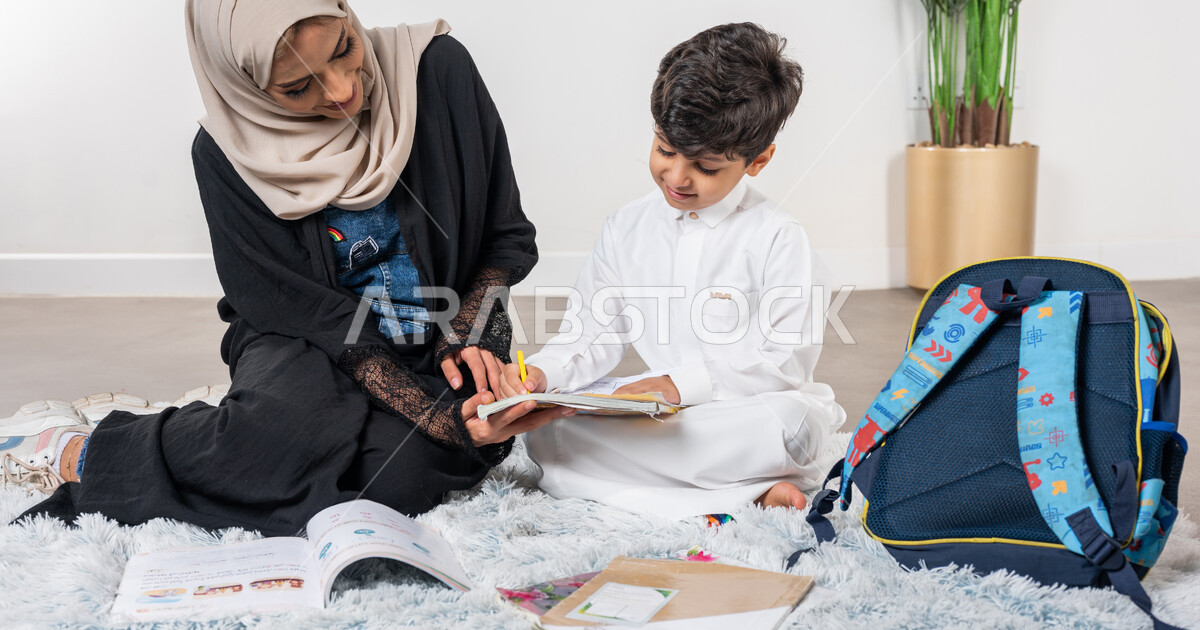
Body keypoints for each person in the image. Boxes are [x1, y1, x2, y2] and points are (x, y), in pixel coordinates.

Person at [7, 0, 572, 536]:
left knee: (402, 478)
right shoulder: (224, 153)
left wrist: (467, 341)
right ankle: (89, 450)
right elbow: (294, 308)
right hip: (306, 338)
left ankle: (218, 433)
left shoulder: (437, 71)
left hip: (443, 333)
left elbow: (504, 240)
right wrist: (429, 414)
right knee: (281, 435)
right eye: (299, 86)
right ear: (244, 83)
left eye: (345, 47)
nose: (345, 90)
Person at [498, 23, 846, 520]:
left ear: (759, 161)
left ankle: (702, 492)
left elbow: (784, 364)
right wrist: (541, 377)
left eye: (705, 167)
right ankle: (744, 495)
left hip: (742, 413)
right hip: (653, 412)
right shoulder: (626, 227)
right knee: (551, 430)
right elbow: (592, 334)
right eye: (665, 150)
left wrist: (681, 385)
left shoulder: (777, 235)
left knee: (789, 427)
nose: (677, 177)